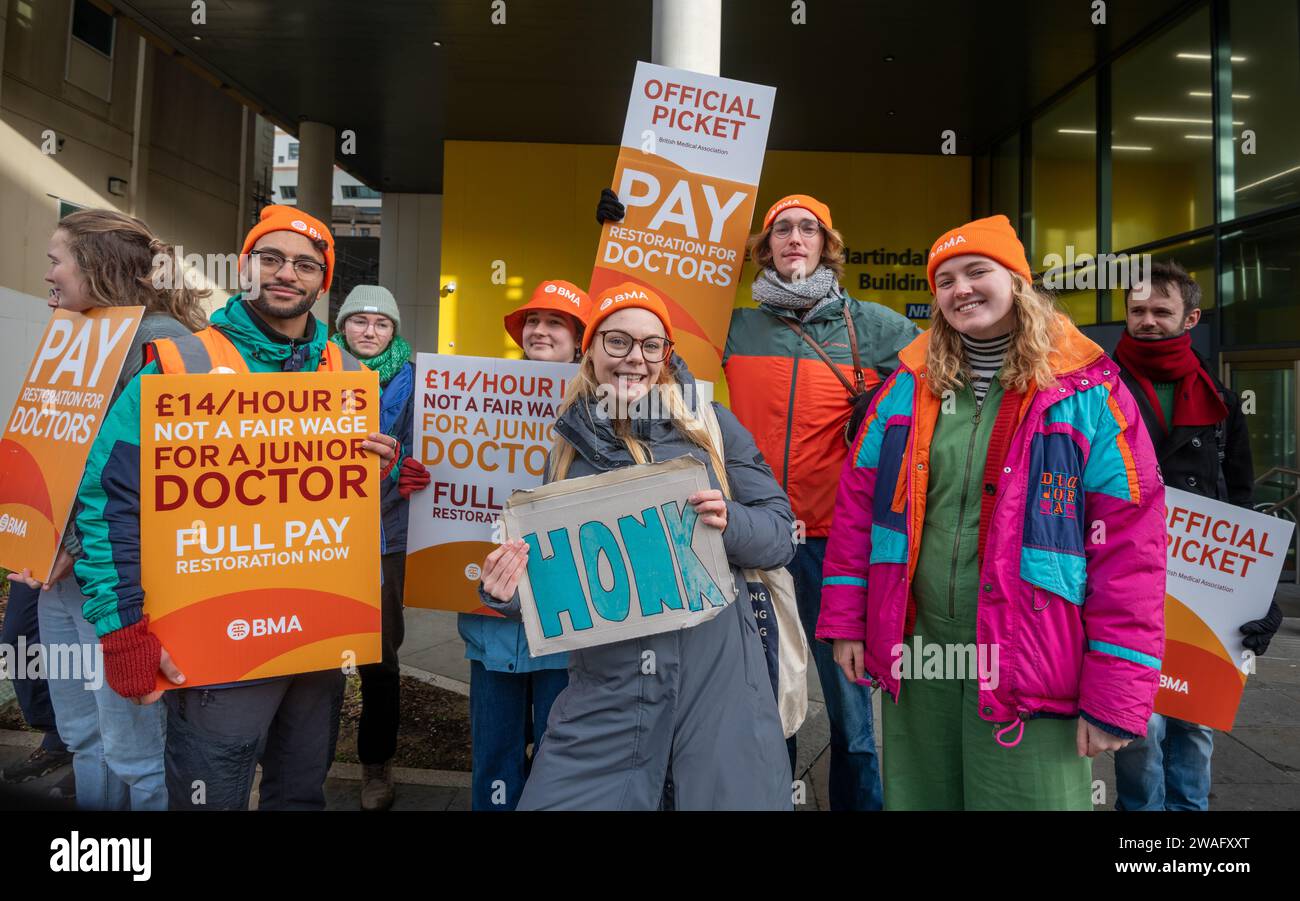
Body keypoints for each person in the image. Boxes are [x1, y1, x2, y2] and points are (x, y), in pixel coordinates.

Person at [818, 215, 1167, 810]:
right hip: (921, 651)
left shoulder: (1089, 393)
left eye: (978, 271)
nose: (961, 289)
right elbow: (857, 514)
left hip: (1032, 656)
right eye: (946, 279)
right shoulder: (905, 388)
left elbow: (1131, 551)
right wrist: (848, 622)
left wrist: (1116, 691)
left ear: (1018, 282)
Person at [596, 190, 917, 809]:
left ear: (827, 244)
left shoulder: (877, 328)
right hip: (747, 534)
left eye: (808, 228)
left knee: (852, 716)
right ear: (765, 248)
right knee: (766, 700)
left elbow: (949, 371)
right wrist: (620, 239)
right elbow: (643, 335)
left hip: (835, 546)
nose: (794, 237)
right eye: (781, 229)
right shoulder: (734, 327)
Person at [72, 205, 396, 811]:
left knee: (300, 795)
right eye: (271, 258)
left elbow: (350, 503)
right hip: (215, 636)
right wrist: (121, 626)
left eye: (305, 264)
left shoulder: (347, 373)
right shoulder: (182, 363)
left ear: (322, 283)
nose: (286, 274)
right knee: (208, 799)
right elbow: (108, 499)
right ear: (245, 267)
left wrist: (383, 468)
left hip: (315, 636)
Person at [479, 283, 794, 810]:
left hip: (721, 691)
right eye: (618, 341)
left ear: (667, 355)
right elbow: (559, 581)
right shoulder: (564, 448)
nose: (635, 359)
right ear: (592, 349)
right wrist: (506, 591)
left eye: (652, 345)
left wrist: (729, 521)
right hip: (608, 694)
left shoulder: (713, 426)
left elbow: (780, 536)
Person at [6, 210, 210, 810]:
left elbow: (151, 476)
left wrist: (68, 543)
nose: (47, 274)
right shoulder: (77, 333)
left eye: (55, 260)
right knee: (85, 736)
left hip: (114, 580)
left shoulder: (167, 345)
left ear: (95, 266)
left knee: (136, 754)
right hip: (55, 575)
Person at [400, 279, 590, 810]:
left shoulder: (607, 402)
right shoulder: (475, 392)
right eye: (533, 321)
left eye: (556, 323)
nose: (540, 330)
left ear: (580, 341)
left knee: (562, 749)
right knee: (496, 755)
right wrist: (416, 476)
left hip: (567, 621)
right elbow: (436, 470)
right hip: (492, 623)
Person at [1112, 260, 1282, 811]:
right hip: (1123, 578)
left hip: (1203, 588)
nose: (1147, 321)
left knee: (1196, 721)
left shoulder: (1221, 399)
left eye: (1162, 311)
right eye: (1138, 311)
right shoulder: (1098, 390)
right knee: (1140, 725)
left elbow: (1241, 502)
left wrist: (1259, 596)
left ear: (1191, 317)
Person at [329, 285, 415, 811]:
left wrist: (410, 469)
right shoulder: (315, 373)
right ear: (342, 327)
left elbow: (445, 443)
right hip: (321, 535)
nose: (369, 331)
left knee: (380, 655)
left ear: (394, 332)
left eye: (381, 324)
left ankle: (375, 764)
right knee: (315, 652)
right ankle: (300, 763)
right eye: (359, 321)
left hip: (388, 536)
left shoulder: (421, 382)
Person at [0, 582, 73, 797]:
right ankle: (59, 735)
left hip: (92, 552)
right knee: (18, 642)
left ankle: (95, 755)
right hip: (37, 554)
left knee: (87, 648)